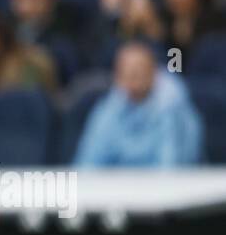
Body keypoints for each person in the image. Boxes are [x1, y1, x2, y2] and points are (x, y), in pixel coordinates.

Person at [74, 40, 203, 167]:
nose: (132, 75)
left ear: (154, 72)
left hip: (163, 186)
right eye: (125, 70)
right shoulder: (107, 109)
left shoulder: (173, 108)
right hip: (116, 186)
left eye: (139, 69)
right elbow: (88, 163)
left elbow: (170, 167)